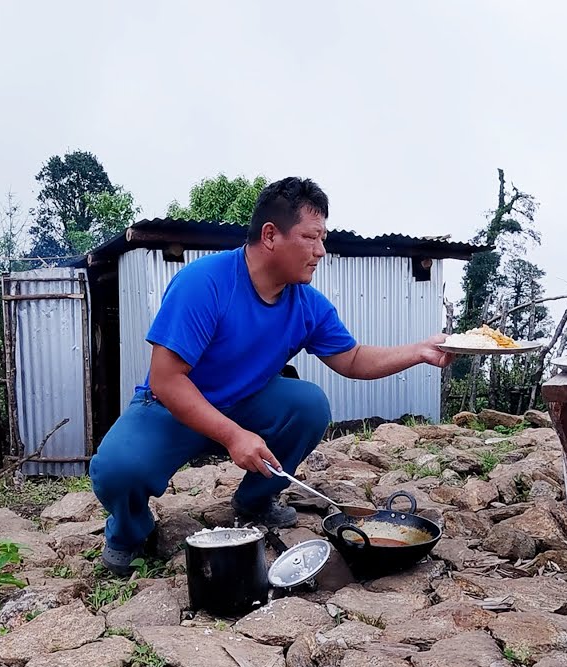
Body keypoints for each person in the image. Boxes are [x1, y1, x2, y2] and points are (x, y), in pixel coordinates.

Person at [89, 177, 453, 576]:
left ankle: (256, 500)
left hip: (245, 403)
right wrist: (232, 435)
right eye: (311, 238)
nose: (320, 251)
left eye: (323, 238)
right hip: (173, 408)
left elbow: (353, 359)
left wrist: (421, 351)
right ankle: (128, 533)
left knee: (308, 403)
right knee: (117, 470)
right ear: (270, 235)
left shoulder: (306, 303)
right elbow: (167, 379)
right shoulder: (205, 283)